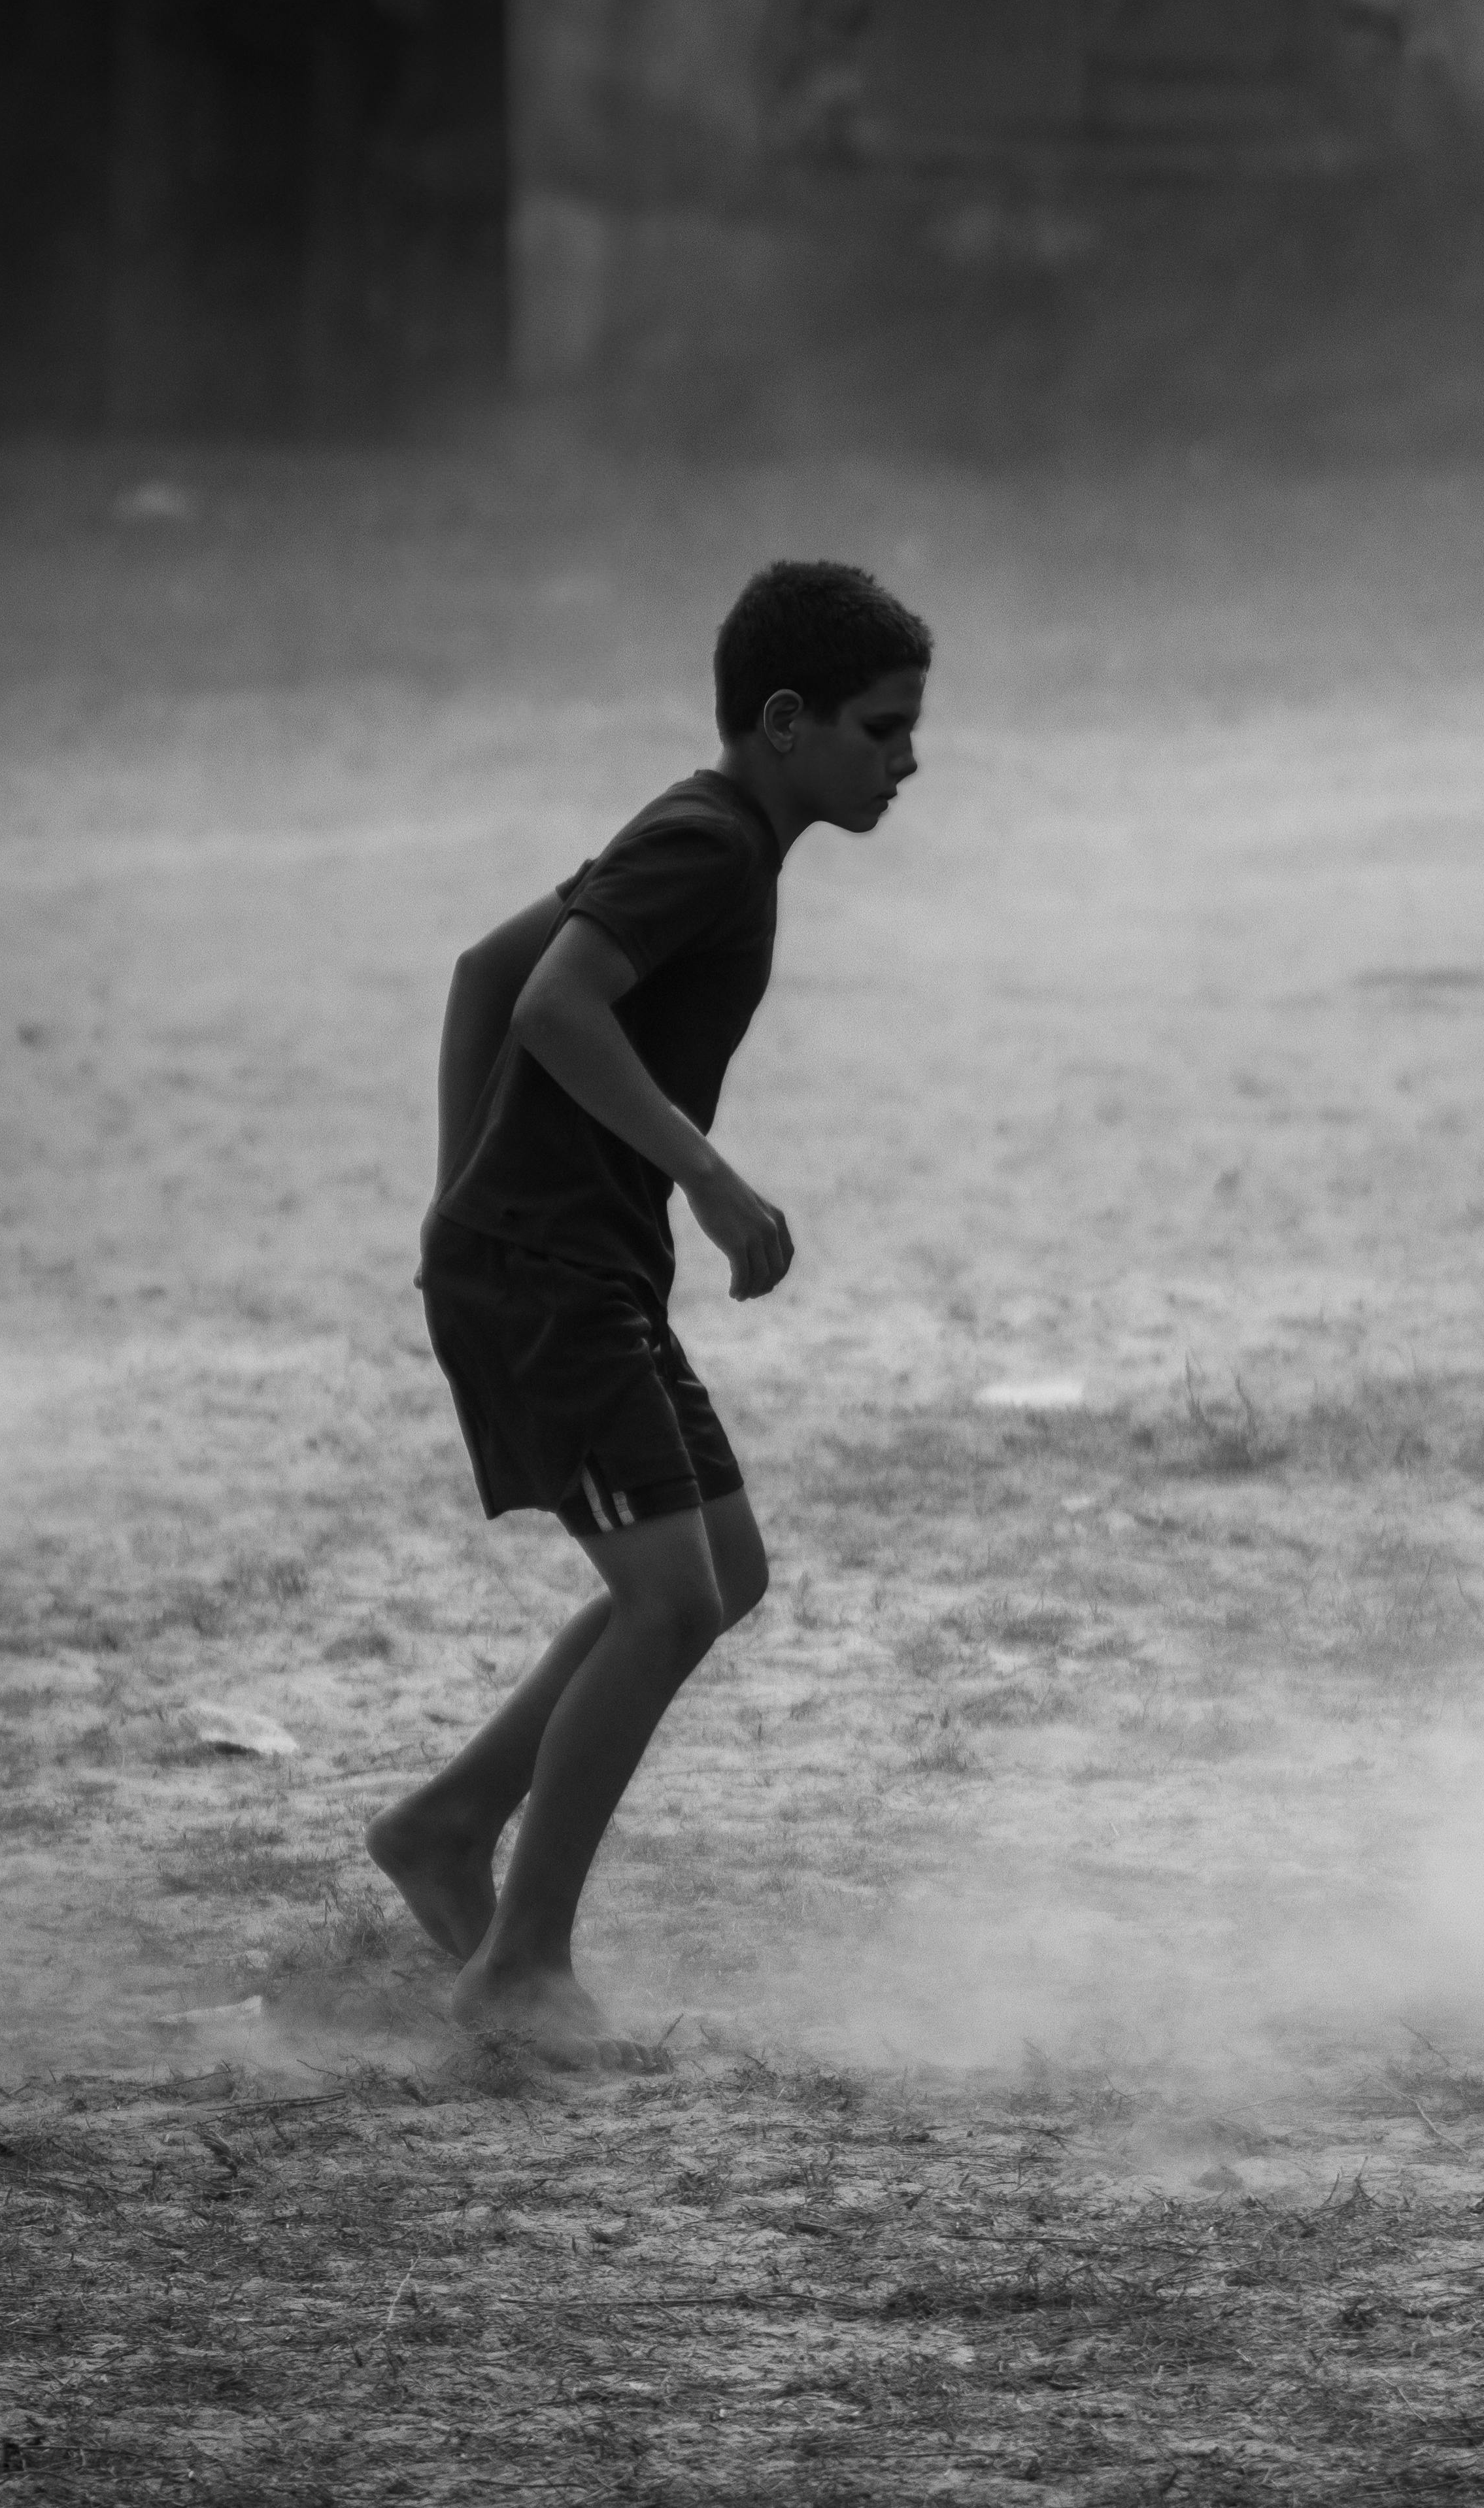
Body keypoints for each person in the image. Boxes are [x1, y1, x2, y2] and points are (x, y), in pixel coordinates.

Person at [363, 560, 932, 2063]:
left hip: (571, 1261)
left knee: (718, 1572)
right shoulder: (709, 845)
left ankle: (447, 1826)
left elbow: (488, 970)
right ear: (789, 721)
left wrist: (458, 1194)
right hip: (553, 1271)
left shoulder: (708, 828)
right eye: (884, 732)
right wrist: (710, 1181)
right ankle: (518, 1969)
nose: (908, 762)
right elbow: (550, 1002)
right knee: (671, 1597)